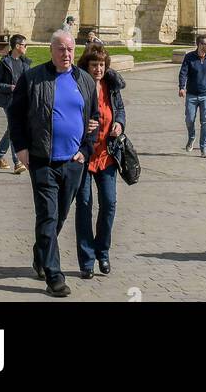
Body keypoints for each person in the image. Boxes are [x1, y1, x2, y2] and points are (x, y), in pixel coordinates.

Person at [9, 29, 99, 297]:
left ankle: (41, 255)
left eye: (70, 49)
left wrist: (86, 148)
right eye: (61, 49)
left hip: (73, 162)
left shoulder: (84, 80)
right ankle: (54, 277)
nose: (66, 54)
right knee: (47, 216)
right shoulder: (33, 78)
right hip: (42, 159)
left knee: (59, 216)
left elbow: (93, 118)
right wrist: (21, 148)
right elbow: (15, 114)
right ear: (51, 50)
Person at [75, 44, 125, 278]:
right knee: (84, 207)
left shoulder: (111, 87)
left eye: (101, 65)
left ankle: (102, 252)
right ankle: (86, 262)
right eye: (94, 65)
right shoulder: (78, 86)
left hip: (107, 155)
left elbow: (121, 110)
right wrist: (84, 125)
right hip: (84, 155)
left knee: (109, 204)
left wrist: (120, 124)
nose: (98, 69)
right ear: (86, 66)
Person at [0, 34, 31, 173]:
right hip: (9, 101)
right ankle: (17, 162)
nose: (26, 48)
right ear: (17, 46)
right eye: (25, 45)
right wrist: (10, 87)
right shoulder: (3, 63)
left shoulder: (25, 63)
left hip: (21, 101)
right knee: (14, 128)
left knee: (11, 129)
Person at [178, 35, 206, 157]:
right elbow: (183, 73)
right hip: (191, 95)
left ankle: (204, 148)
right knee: (189, 119)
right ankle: (191, 137)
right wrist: (182, 87)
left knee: (205, 122)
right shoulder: (189, 57)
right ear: (200, 45)